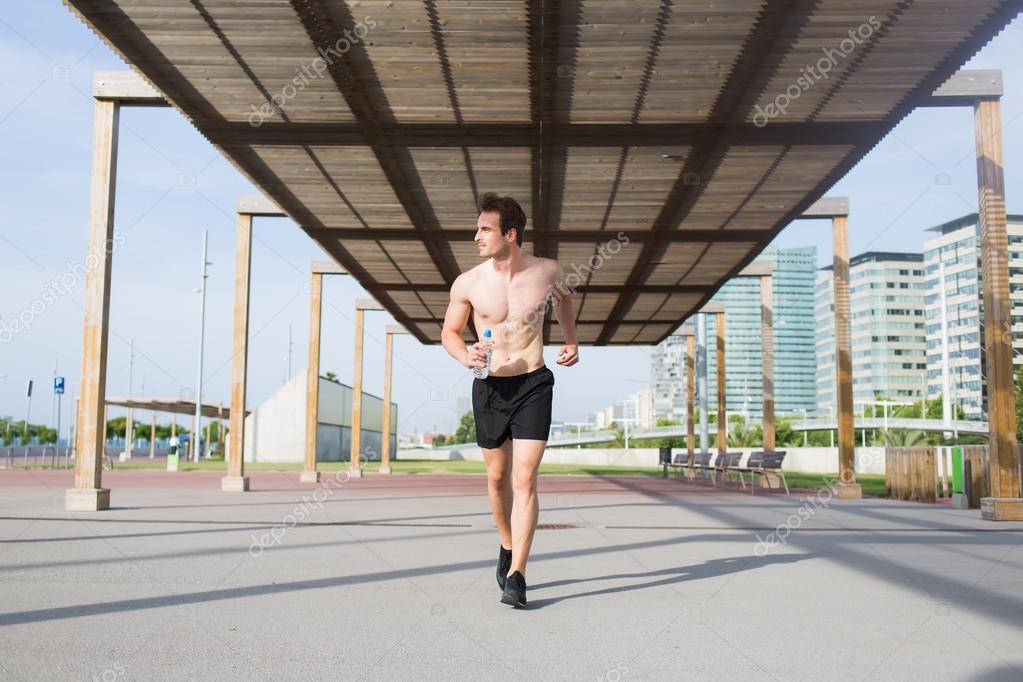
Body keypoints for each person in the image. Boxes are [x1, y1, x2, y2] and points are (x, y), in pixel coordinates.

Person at [441, 192, 579, 608]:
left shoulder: (547, 271)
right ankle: (506, 543)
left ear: (510, 234)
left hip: (534, 383)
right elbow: (449, 333)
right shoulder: (468, 282)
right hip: (489, 386)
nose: (476, 236)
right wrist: (467, 355)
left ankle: (517, 573)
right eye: (478, 228)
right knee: (498, 478)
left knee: (524, 478)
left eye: (485, 229)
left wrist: (572, 340)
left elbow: (566, 300)